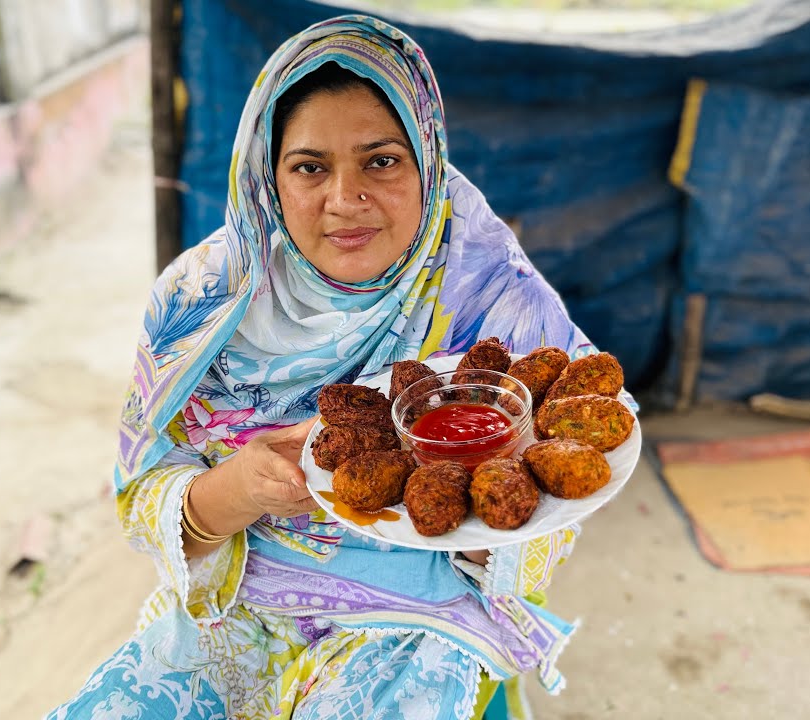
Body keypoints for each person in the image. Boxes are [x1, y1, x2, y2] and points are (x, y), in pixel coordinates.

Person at [47, 14, 628, 720]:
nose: (344, 199)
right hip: (233, 608)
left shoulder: (494, 301)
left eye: (381, 160)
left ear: (428, 161)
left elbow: (554, 502)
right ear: (269, 174)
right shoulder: (198, 301)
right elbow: (144, 506)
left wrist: (467, 509)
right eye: (310, 167)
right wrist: (243, 486)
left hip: (419, 621)